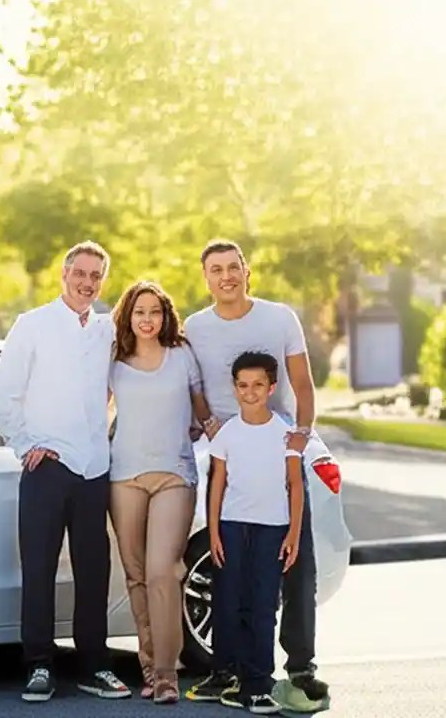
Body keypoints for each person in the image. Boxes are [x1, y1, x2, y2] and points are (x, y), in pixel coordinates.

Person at [182, 239, 333, 709]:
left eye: (232, 267)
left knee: (295, 564)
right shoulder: (196, 328)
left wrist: (302, 434)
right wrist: (208, 422)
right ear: (205, 277)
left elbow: (303, 385)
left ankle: (301, 666)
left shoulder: (279, 318)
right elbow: (193, 386)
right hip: (226, 459)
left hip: (279, 453)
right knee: (227, 566)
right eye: (215, 270)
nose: (225, 276)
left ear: (246, 272)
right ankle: (227, 669)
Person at [0, 241, 132, 703]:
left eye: (96, 277)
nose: (87, 283)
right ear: (64, 274)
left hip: (94, 467)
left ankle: (95, 666)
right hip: (46, 468)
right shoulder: (32, 326)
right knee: (39, 569)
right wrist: (26, 445)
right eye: (81, 274)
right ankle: (39, 666)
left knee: (94, 571)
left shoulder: (110, 331)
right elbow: (3, 394)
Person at [106, 280, 215, 704]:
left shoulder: (181, 355)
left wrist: (227, 437)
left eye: (154, 311)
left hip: (174, 474)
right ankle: (148, 667)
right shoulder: (113, 359)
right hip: (124, 476)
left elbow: (202, 411)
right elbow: (92, 409)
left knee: (161, 572)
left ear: (165, 315)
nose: (147, 319)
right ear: (128, 317)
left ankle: (168, 675)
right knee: (135, 576)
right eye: (139, 312)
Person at [188, 350, 304, 715]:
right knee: (227, 602)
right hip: (232, 529)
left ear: (271, 387)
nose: (249, 392)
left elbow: (295, 487)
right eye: (242, 385)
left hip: (273, 530)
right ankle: (225, 674)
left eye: (257, 385)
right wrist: (215, 533)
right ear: (235, 389)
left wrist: (294, 535)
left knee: (263, 606)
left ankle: (257, 684)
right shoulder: (226, 435)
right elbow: (216, 485)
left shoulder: (286, 435)